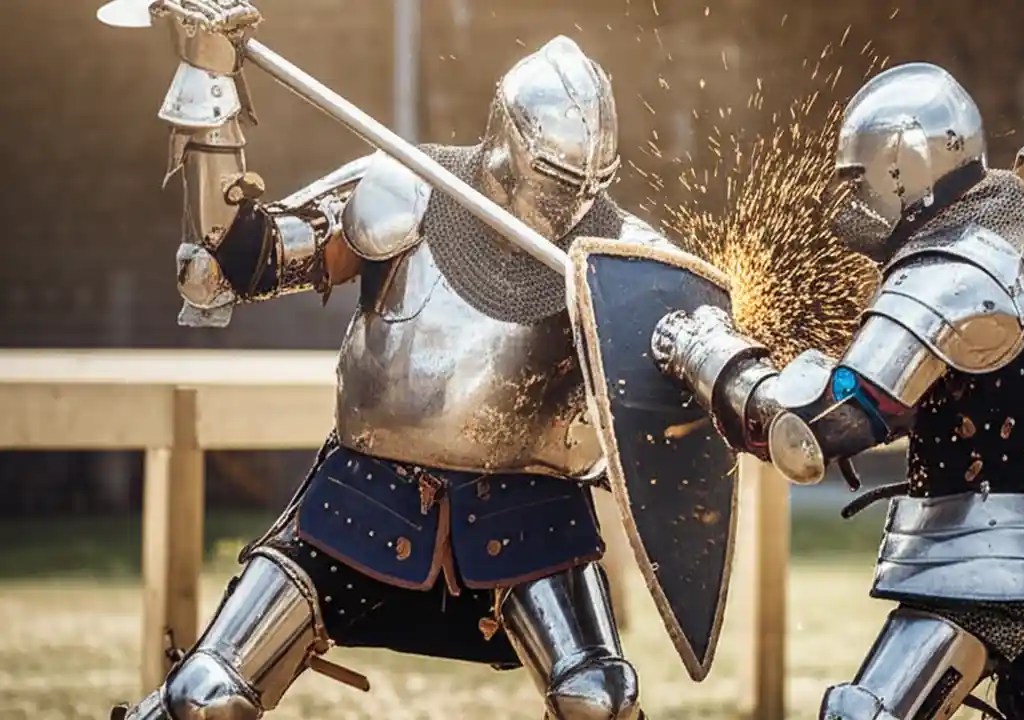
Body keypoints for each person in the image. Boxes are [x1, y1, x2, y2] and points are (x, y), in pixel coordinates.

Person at [112, 5, 669, 719]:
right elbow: (238, 261)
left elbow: (691, 347)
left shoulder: (618, 250)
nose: (569, 201)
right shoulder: (407, 188)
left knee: (598, 699)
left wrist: (750, 388)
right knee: (207, 697)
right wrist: (210, 84)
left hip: (531, 511)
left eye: (586, 183)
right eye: (556, 176)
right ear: (508, 141)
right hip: (365, 497)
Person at [651, 62, 1024, 720]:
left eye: (862, 178)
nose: (858, 198)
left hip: (984, 559)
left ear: (903, 163)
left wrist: (702, 349)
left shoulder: (952, 263)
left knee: (865, 715)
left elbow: (816, 428)